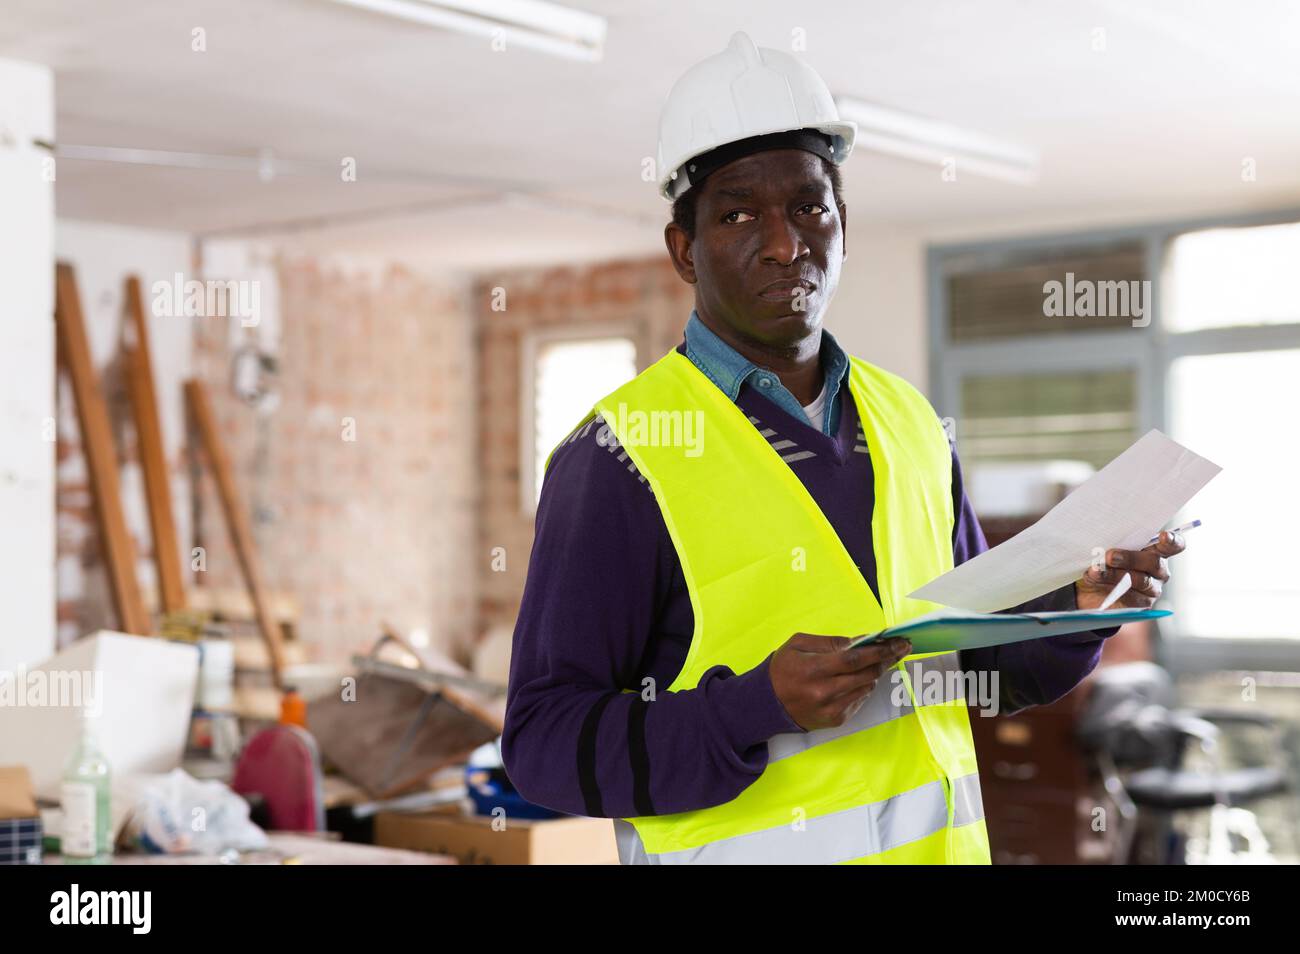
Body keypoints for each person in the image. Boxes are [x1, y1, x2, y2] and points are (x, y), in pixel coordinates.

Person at [503, 32, 1186, 865]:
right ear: (685, 248)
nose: (786, 244)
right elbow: (544, 744)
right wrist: (747, 707)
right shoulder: (617, 458)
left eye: (809, 206)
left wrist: (1079, 613)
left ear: (843, 223)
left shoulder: (910, 424)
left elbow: (970, 670)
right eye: (738, 213)